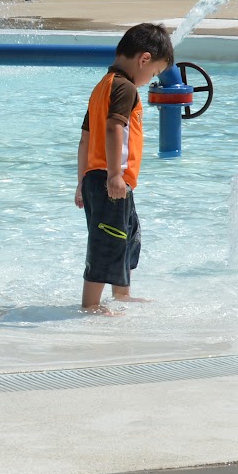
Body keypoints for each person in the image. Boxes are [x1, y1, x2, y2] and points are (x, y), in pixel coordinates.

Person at [74, 22, 174, 315]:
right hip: (110, 179)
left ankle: (122, 293)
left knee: (127, 235)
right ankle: (91, 304)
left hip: (99, 178)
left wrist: (81, 182)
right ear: (144, 59)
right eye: (154, 72)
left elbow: (85, 139)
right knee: (107, 239)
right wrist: (115, 174)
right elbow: (114, 127)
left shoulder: (102, 87)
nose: (150, 79)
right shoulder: (125, 87)